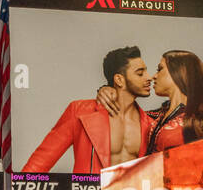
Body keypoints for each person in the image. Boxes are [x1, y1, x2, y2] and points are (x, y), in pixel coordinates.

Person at [24, 46, 154, 174]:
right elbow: (40, 161)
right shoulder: (79, 111)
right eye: (140, 73)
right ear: (119, 80)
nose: (149, 77)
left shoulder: (151, 124)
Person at [97, 49, 203, 155]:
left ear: (178, 72)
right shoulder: (156, 116)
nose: (153, 76)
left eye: (160, 69)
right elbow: (127, 112)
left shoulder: (202, 119)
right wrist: (105, 89)